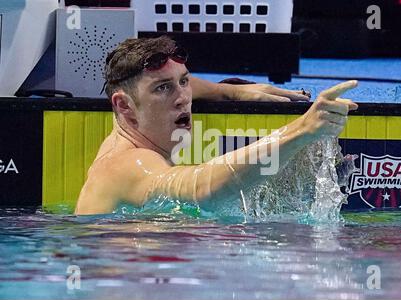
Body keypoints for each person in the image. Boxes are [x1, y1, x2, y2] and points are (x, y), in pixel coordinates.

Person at [75, 36, 358, 215]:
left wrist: (231, 91)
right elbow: (199, 189)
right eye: (163, 88)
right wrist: (301, 129)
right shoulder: (127, 164)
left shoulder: (140, 113)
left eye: (183, 82)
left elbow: (174, 87)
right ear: (124, 105)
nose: (183, 98)